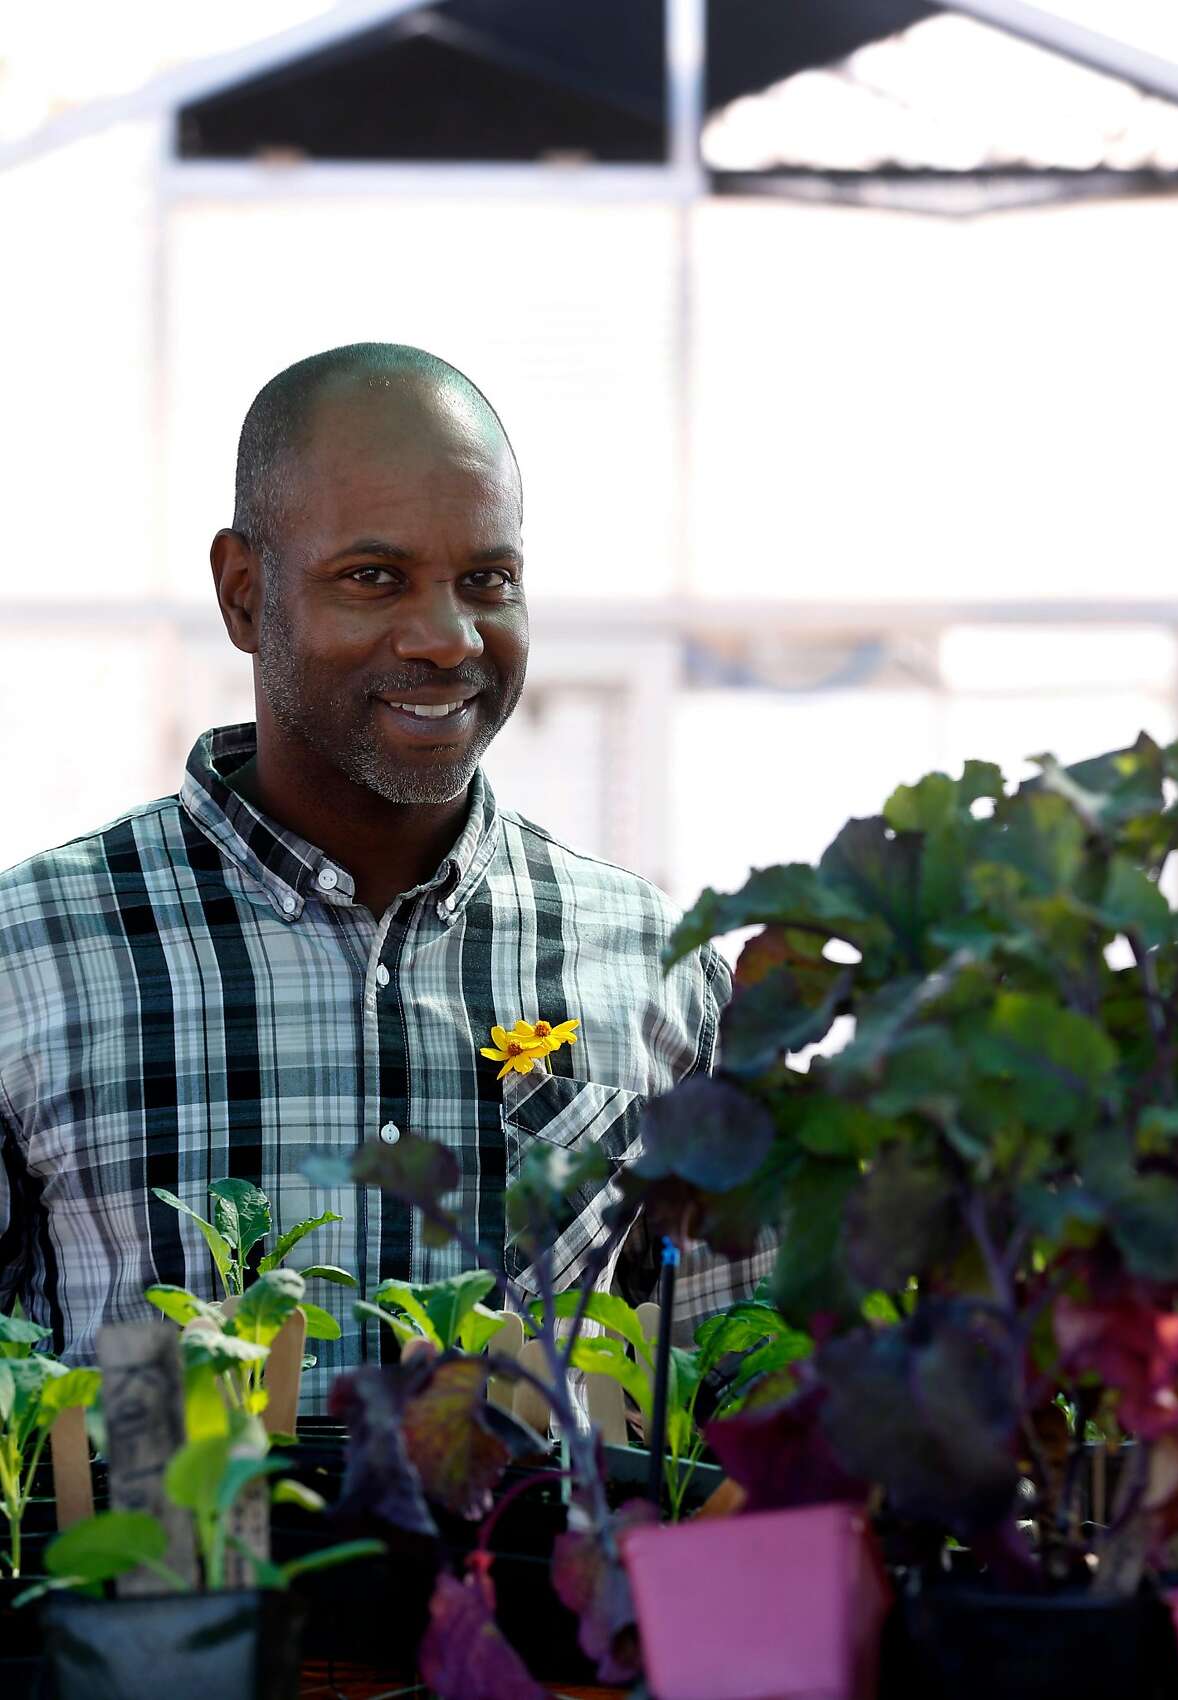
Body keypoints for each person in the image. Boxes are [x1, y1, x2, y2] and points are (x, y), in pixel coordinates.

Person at [0, 343, 770, 1406]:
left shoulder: (651, 963)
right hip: (171, 1573)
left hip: (536, 1570)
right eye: (375, 578)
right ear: (242, 593)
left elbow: (731, 1400)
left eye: (487, 580)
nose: (449, 638)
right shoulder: (32, 953)